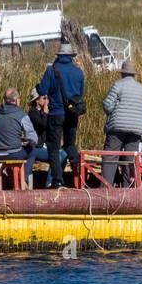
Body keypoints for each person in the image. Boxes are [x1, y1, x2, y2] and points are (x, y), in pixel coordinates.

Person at [37, 42, 85, 189]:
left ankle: (57, 180)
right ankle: (78, 166)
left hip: (56, 113)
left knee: (53, 148)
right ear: (71, 56)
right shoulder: (79, 72)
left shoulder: (51, 70)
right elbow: (80, 94)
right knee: (70, 145)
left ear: (58, 56)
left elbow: (42, 90)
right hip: (72, 114)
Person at [100, 59, 142, 187]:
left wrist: (114, 107)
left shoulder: (118, 85)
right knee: (130, 159)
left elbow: (107, 105)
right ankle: (128, 189)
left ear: (122, 73)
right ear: (134, 74)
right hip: (136, 128)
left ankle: (106, 187)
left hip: (117, 127)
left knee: (110, 156)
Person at [0, 87, 38, 187]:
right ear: (16, 100)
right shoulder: (22, 115)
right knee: (33, 151)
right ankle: (23, 179)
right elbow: (34, 139)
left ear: (4, 100)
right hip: (12, 153)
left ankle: (9, 181)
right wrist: (25, 140)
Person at [26, 86, 66, 186]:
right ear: (36, 100)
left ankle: (57, 180)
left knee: (64, 155)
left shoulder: (45, 112)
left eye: (48, 98)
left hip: (46, 146)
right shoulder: (32, 114)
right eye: (44, 98)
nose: (47, 100)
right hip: (36, 148)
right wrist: (45, 112)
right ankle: (49, 183)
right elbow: (43, 125)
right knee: (57, 157)